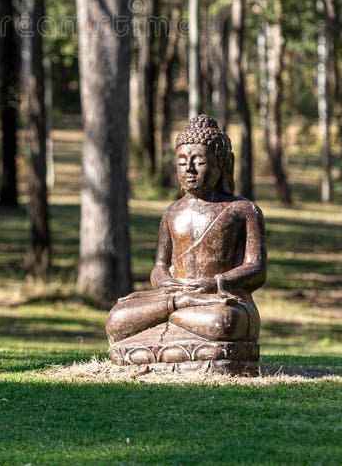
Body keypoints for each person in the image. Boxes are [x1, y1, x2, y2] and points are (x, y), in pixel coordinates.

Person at [106, 114, 266, 347]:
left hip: (218, 301)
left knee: (225, 322)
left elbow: (256, 269)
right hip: (177, 297)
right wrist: (164, 282)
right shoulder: (172, 213)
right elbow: (159, 267)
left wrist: (215, 283)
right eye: (182, 162)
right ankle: (176, 313)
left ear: (221, 164)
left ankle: (169, 320)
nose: (189, 169)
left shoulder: (243, 210)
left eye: (199, 162)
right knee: (117, 318)